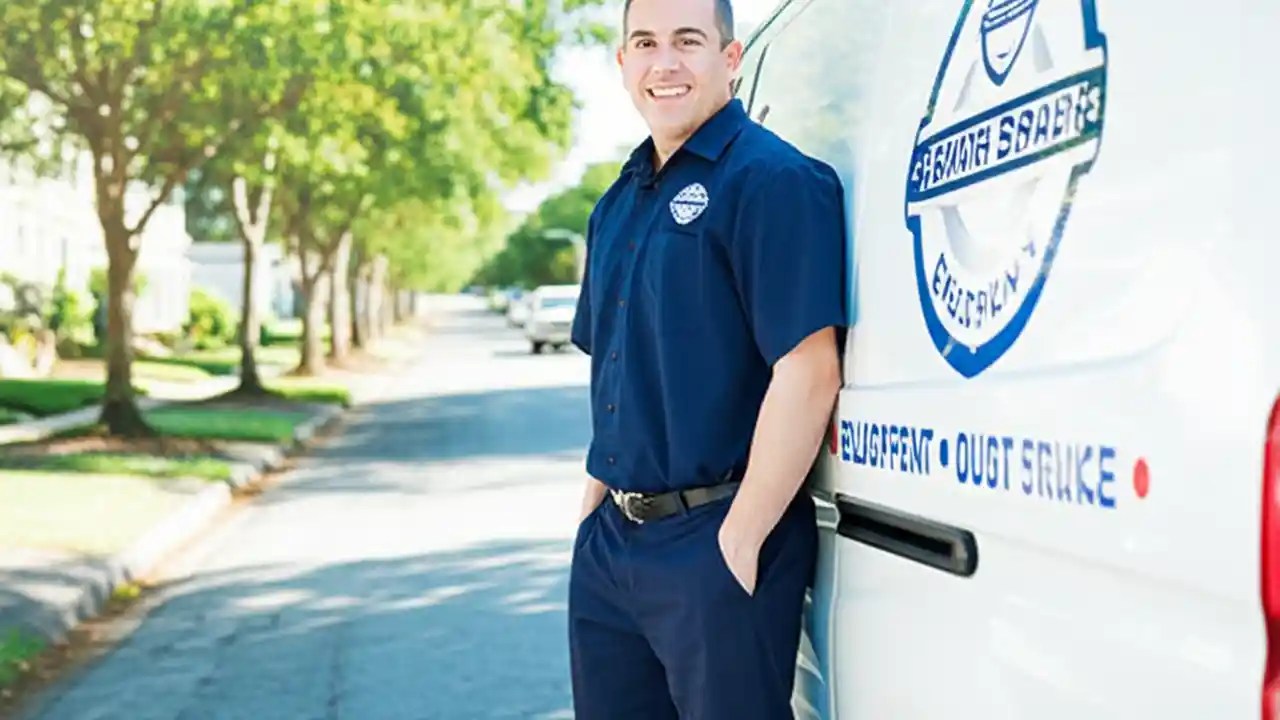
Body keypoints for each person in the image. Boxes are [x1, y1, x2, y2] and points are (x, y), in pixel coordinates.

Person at [567, 0, 847, 717]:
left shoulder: (775, 180)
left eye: (688, 41)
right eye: (645, 43)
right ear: (623, 64)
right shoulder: (617, 204)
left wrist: (739, 540)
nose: (665, 62)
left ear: (730, 58)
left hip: (716, 543)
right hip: (613, 549)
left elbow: (808, 370)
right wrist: (592, 517)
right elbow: (616, 372)